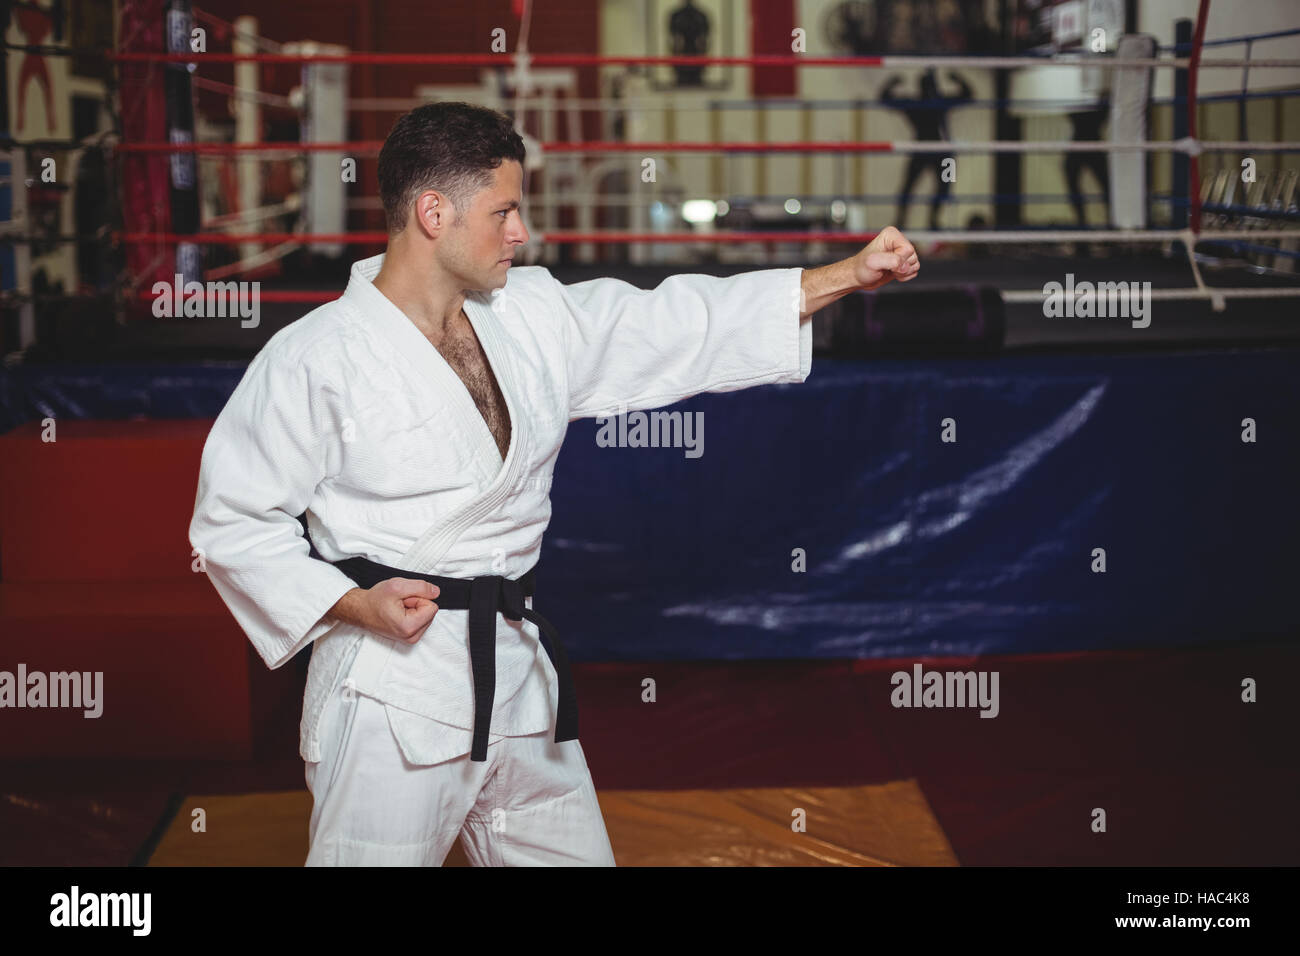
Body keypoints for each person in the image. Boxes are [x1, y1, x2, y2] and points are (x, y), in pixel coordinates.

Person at [188, 102, 919, 867]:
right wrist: (354, 603)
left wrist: (840, 276)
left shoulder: (526, 312)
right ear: (432, 212)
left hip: (519, 674)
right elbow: (232, 524)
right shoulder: (315, 357)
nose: (520, 233)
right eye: (503, 211)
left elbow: (668, 323)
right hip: (390, 694)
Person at [881, 68, 973, 231]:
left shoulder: (935, 102)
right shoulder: (921, 103)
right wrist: (956, 78)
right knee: (910, 187)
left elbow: (968, 95)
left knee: (945, 183)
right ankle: (906, 220)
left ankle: (932, 220)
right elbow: (884, 98)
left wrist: (957, 77)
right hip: (925, 150)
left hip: (941, 152)